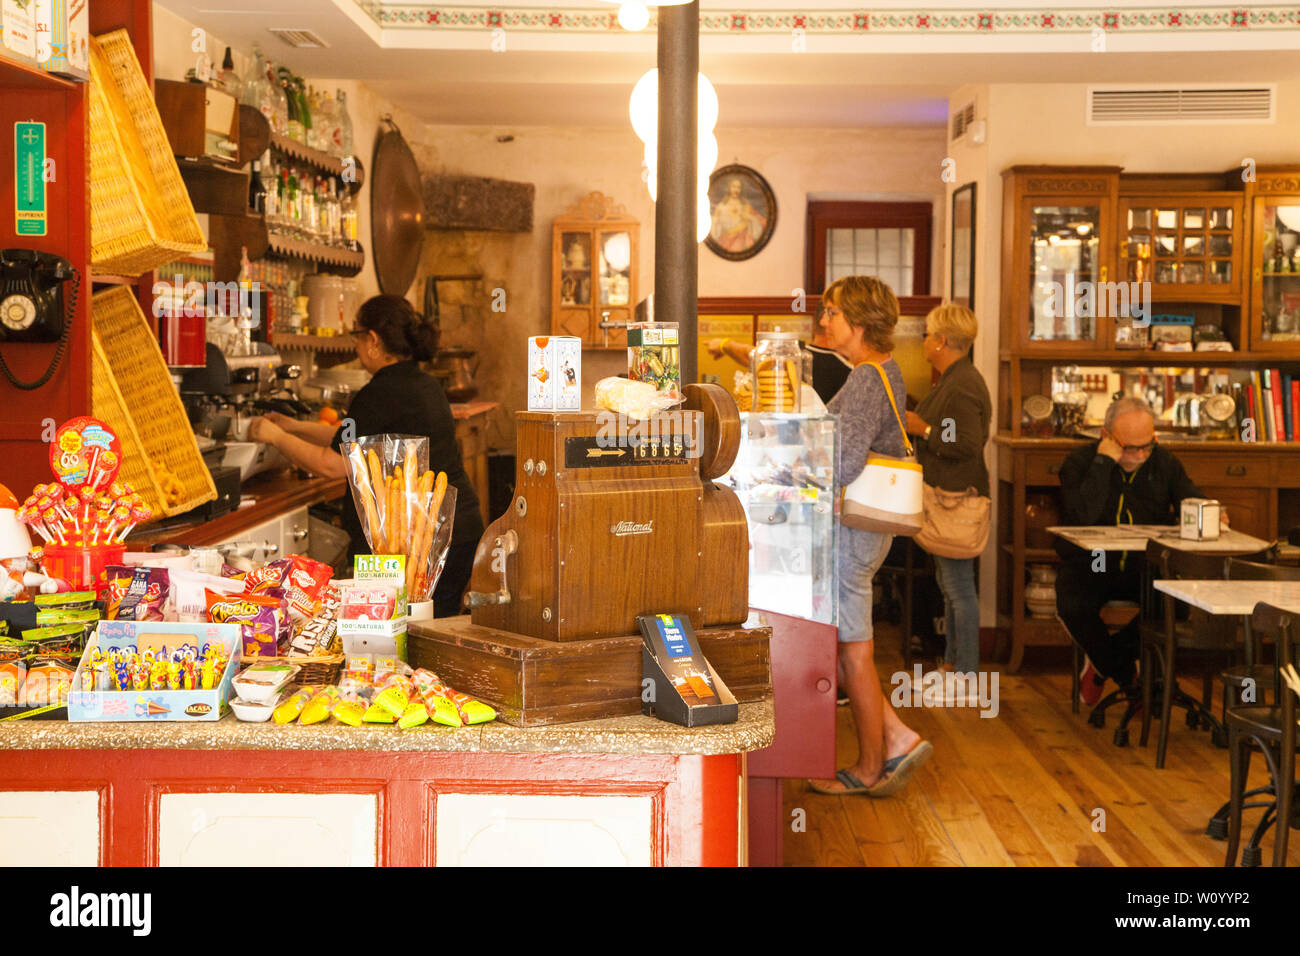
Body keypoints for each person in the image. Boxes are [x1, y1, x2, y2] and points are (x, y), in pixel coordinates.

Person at [249, 294, 485, 616]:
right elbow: (353, 437)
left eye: (356, 336)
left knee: (413, 633)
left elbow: (333, 464)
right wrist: (294, 427)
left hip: (423, 542)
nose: (356, 347)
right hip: (455, 528)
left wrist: (274, 436)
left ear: (372, 339)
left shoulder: (379, 393)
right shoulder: (423, 384)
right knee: (433, 629)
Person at [808, 275, 932, 798]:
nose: (822, 321)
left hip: (853, 532)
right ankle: (898, 738)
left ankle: (867, 768)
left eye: (831, 312)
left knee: (853, 650)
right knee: (846, 645)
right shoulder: (884, 370)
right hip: (867, 531)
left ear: (857, 324)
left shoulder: (863, 380)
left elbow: (843, 460)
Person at [1054, 395, 1223, 705]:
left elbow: (1192, 498)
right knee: (1073, 604)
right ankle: (1127, 676)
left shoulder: (1164, 462)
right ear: (1106, 436)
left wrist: (1211, 512)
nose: (1140, 454)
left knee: (1174, 606)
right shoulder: (1079, 462)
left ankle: (1103, 665)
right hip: (1095, 560)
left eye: (1148, 445)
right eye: (1130, 447)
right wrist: (1104, 462)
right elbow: (1082, 516)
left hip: (1142, 563)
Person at [903, 302, 991, 679]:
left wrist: (921, 429)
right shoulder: (956, 378)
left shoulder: (961, 385)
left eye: (926, 335)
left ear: (941, 340)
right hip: (946, 496)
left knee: (957, 587)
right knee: (950, 583)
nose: (923, 342)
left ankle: (966, 671)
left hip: (956, 499)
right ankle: (955, 663)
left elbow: (965, 442)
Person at [706, 314, 852, 405]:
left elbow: (749, 354)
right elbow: (752, 355)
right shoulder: (845, 368)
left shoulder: (854, 370)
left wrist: (724, 345)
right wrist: (724, 345)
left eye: (832, 314)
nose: (826, 320)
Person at [709, 177, 767, 254]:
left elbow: (756, 227)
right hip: (725, 242)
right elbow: (715, 230)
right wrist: (716, 220)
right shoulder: (721, 206)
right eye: (733, 186)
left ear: (741, 189)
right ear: (729, 188)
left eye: (738, 187)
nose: (736, 190)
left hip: (743, 240)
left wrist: (750, 218)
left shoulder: (745, 205)